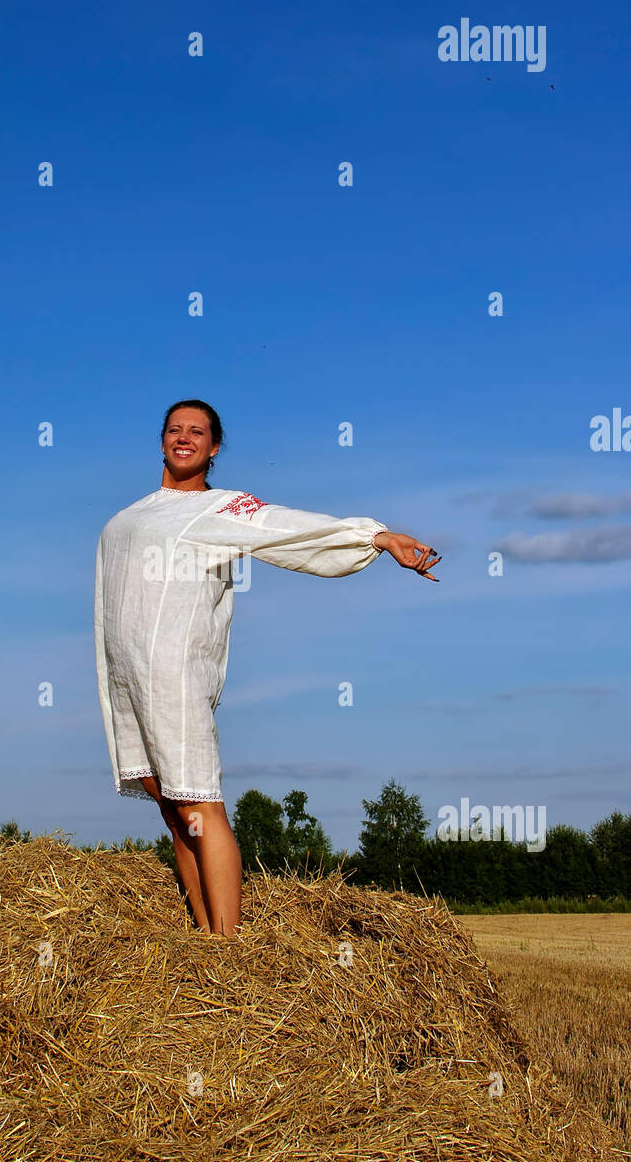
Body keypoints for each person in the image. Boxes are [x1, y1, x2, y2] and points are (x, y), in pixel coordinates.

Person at [94, 400, 440, 938]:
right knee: (171, 810)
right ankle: (206, 936)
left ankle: (229, 955)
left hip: (176, 678)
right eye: (174, 429)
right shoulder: (124, 520)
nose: (184, 437)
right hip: (126, 681)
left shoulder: (219, 509)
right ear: (161, 439)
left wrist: (374, 536)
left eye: (198, 432)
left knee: (198, 802)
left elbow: (285, 529)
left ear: (213, 448)